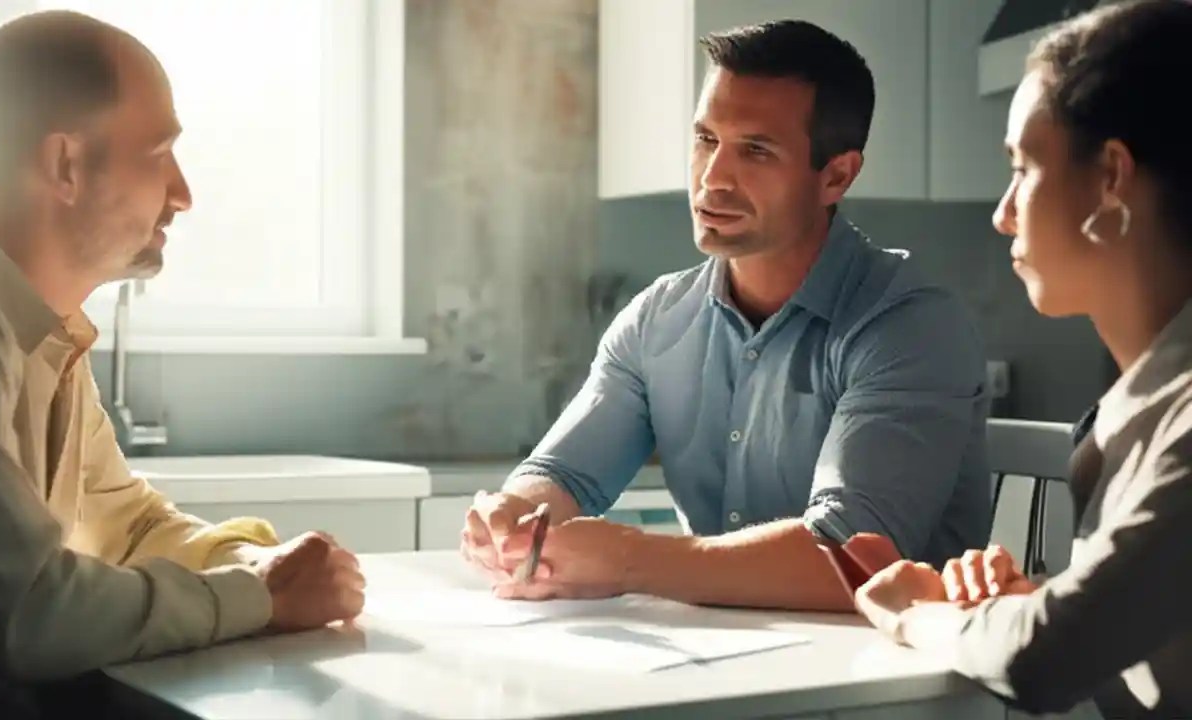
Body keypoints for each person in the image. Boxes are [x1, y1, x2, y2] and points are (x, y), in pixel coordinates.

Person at [0, 11, 365, 718]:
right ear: (65, 165)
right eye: (157, 155)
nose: (182, 194)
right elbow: (26, 612)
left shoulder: (43, 338)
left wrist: (250, 562)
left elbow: (128, 528)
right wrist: (262, 598)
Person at [462, 20, 991, 611]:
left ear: (836, 174)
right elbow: (563, 474)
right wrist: (514, 512)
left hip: (892, 685)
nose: (712, 178)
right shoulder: (657, 320)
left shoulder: (908, 324)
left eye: (756, 150)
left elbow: (851, 559)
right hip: (723, 672)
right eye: (706, 139)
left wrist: (629, 558)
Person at [855, 1, 1192, 717]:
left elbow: (1048, 657)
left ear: (1111, 179)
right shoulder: (1143, 406)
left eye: (1022, 167)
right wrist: (1029, 602)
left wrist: (918, 613)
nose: (1003, 212)